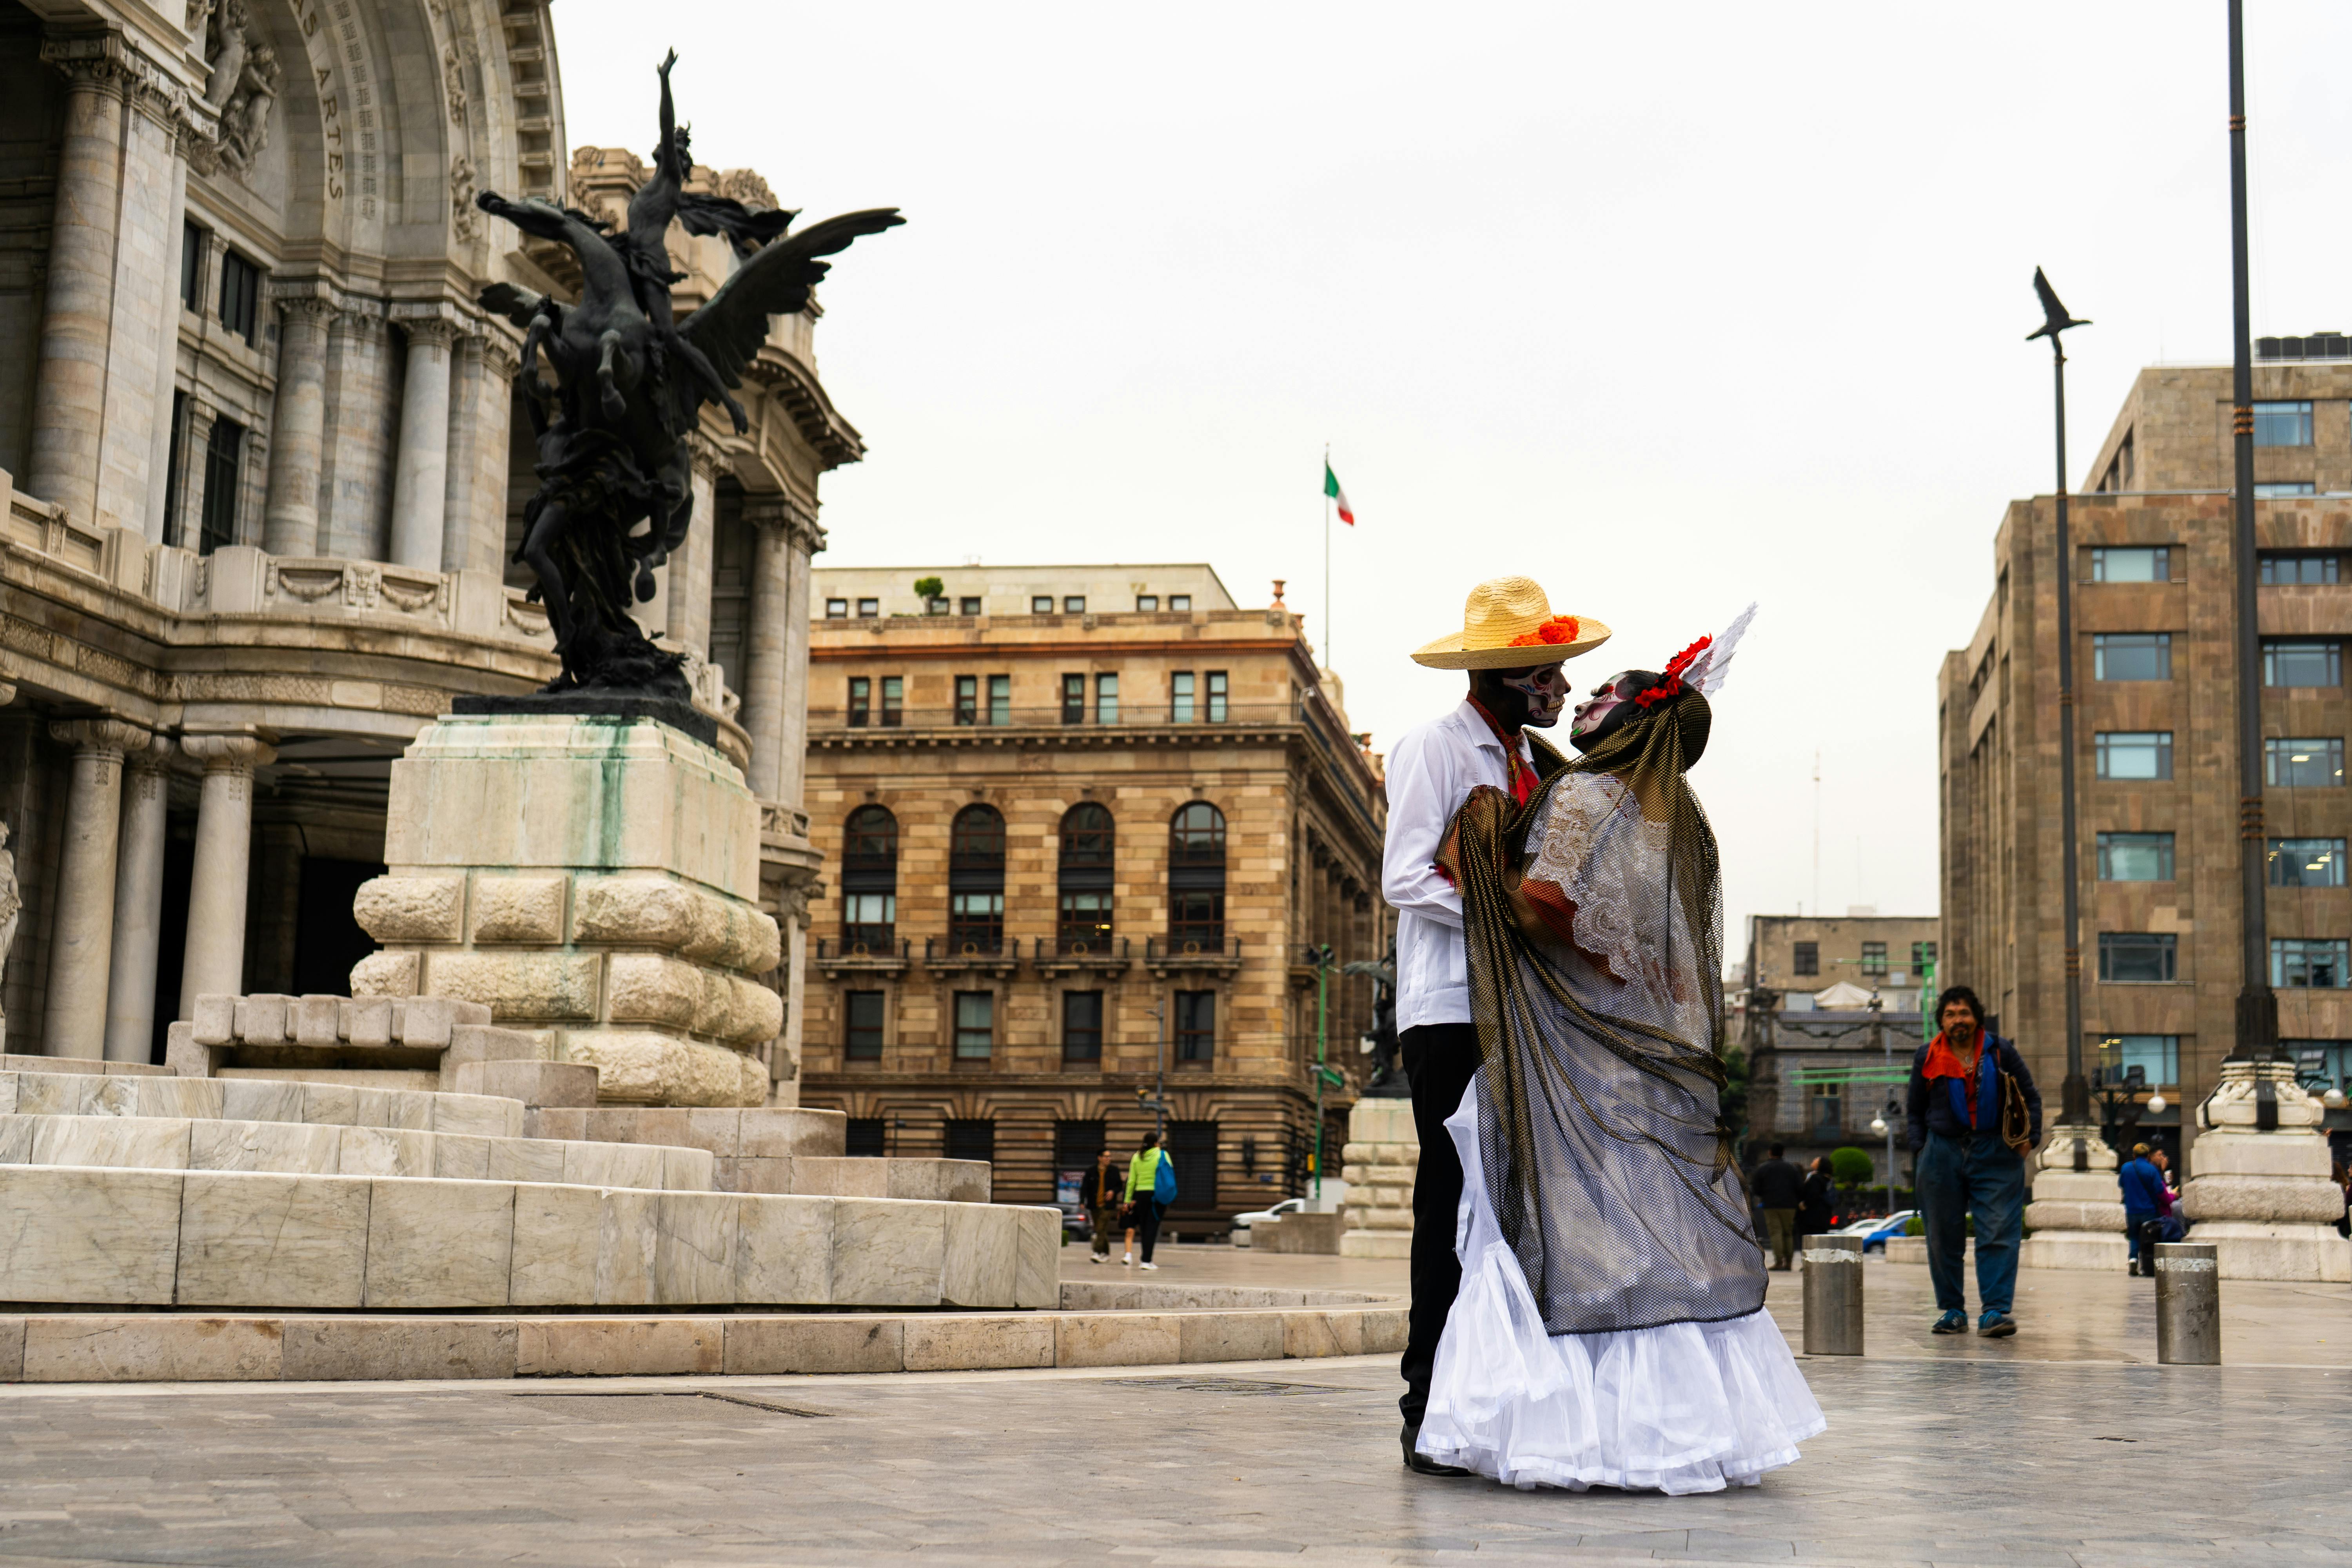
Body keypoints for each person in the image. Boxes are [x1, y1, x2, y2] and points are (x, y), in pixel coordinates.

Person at [1411, 605, 1826, 1492]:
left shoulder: (1581, 795)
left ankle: (1547, 1420)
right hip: (1634, 1057)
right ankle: (1679, 1418)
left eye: (1602, 692)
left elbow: (1545, 910)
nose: (1583, 698)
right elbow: (1670, 971)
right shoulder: (1663, 822)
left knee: (1517, 1223)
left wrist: (1481, 848)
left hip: (1573, 1056)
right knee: (1641, 1242)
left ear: (1635, 720)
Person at [1381, 577, 1608, 1477]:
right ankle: (1424, 1406)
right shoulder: (1435, 747)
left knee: (1511, 1208)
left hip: (1518, 1010)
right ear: (1511, 673)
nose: (1560, 683)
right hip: (1449, 1009)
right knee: (1449, 1204)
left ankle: (1496, 1400)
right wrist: (1505, 923)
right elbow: (1405, 875)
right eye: (1549, 667)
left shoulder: (1532, 760)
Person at [1906, 985, 2040, 1338]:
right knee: (1942, 1234)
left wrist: (2029, 1142)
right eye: (1950, 1015)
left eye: (1963, 1013)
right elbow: (1914, 1110)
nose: (1957, 1020)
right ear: (1942, 1022)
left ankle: (1994, 1312)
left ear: (1976, 1017)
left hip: (1995, 1150)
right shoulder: (1927, 1056)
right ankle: (1952, 1310)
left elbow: (2030, 1096)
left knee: (1998, 1230)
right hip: (1941, 1152)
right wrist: (1921, 1149)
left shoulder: (2000, 1051)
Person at [1123, 1132, 1172, 1270]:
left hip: (1140, 1195)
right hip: (1157, 1194)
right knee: (1153, 1227)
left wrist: (1127, 1201)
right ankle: (1146, 1260)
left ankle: (1145, 1259)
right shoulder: (1162, 1155)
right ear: (1156, 1142)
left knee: (1144, 1228)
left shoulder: (1136, 1157)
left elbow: (1131, 1181)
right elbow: (1169, 1174)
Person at [1749, 1145, 1803, 1270]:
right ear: (1783, 1153)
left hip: (1771, 1205)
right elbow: (1800, 1186)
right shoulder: (1792, 1168)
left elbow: (1756, 1188)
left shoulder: (1763, 1168)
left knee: (1776, 1232)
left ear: (1770, 1153)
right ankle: (1789, 1262)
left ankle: (1779, 1261)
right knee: (1788, 1233)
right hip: (1790, 1205)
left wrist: (1765, 1195)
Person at [2118, 1142, 2165, 1276]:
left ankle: (2133, 1259)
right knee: (2148, 1237)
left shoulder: (2126, 1168)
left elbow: (2121, 1184)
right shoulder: (2151, 1169)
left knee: (2134, 1236)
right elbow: (2159, 1189)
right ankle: (2147, 1264)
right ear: (2148, 1155)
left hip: (2132, 1209)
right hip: (2149, 1210)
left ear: (2134, 1155)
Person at [1086, 1148, 1126, 1264]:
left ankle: (1097, 1252)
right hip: (1094, 1205)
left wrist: (1113, 1192)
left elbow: (1119, 1186)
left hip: (1108, 1205)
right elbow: (1085, 1187)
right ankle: (1106, 1253)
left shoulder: (1114, 1170)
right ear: (1100, 1158)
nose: (1109, 1159)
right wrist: (1082, 1201)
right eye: (1106, 1156)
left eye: (1110, 1156)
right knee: (1101, 1230)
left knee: (1100, 1228)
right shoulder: (1092, 1171)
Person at [1798, 1156, 1835, 1240]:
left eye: (1816, 1160)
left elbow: (1812, 1195)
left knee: (1810, 1241)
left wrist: (1803, 1205)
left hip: (1812, 1217)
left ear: (1820, 1165)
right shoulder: (1828, 1179)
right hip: (1825, 1215)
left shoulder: (1815, 1178)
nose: (1814, 1161)